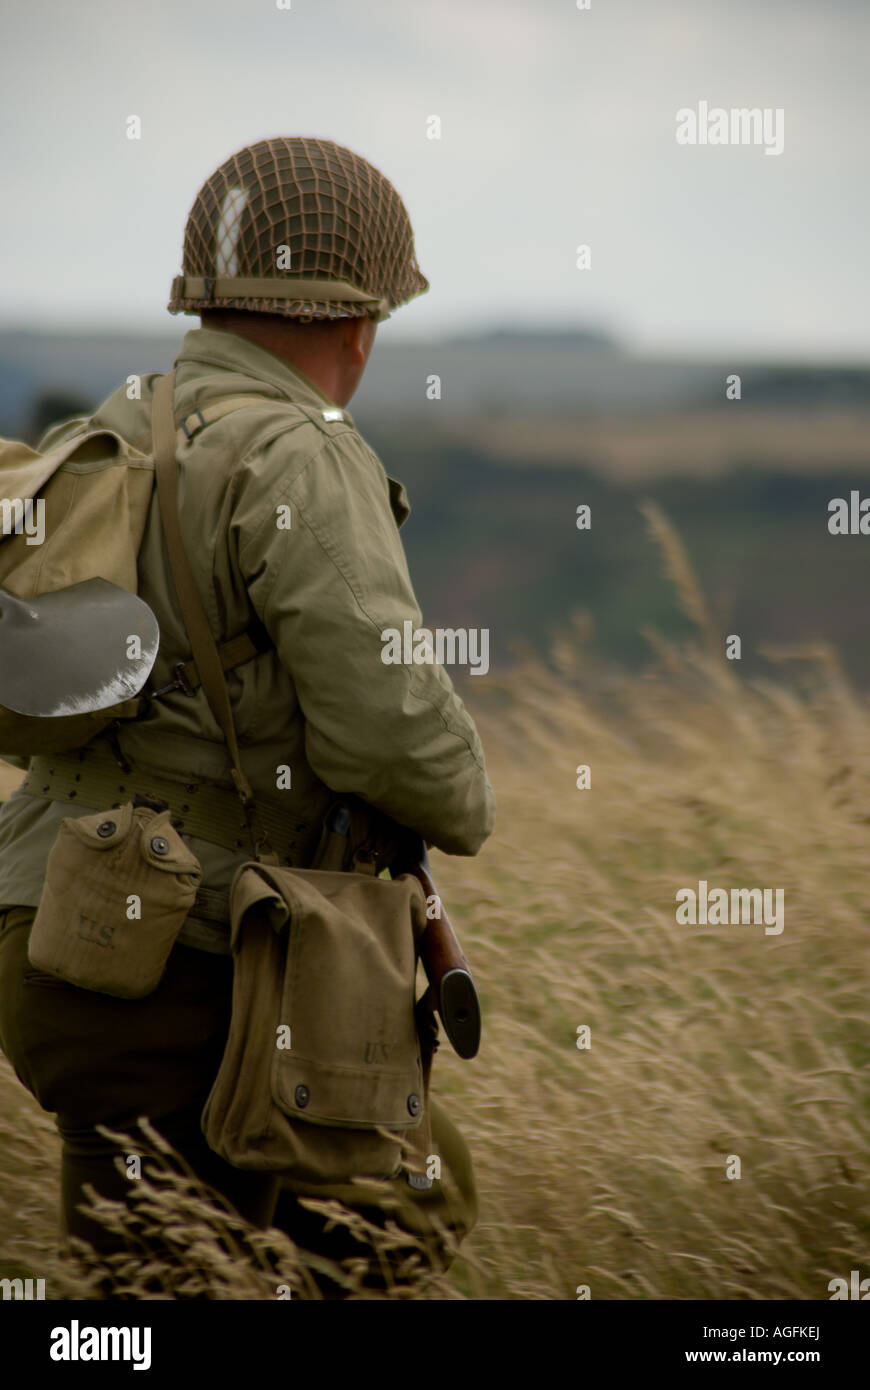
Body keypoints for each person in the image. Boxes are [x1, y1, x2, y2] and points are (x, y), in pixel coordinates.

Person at [0, 136, 495, 1294]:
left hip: (54, 940)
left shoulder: (121, 427)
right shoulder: (300, 455)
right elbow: (397, 739)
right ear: (362, 321)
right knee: (412, 1212)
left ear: (208, 300)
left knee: (142, 1279)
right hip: (200, 962)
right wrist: (465, 797)